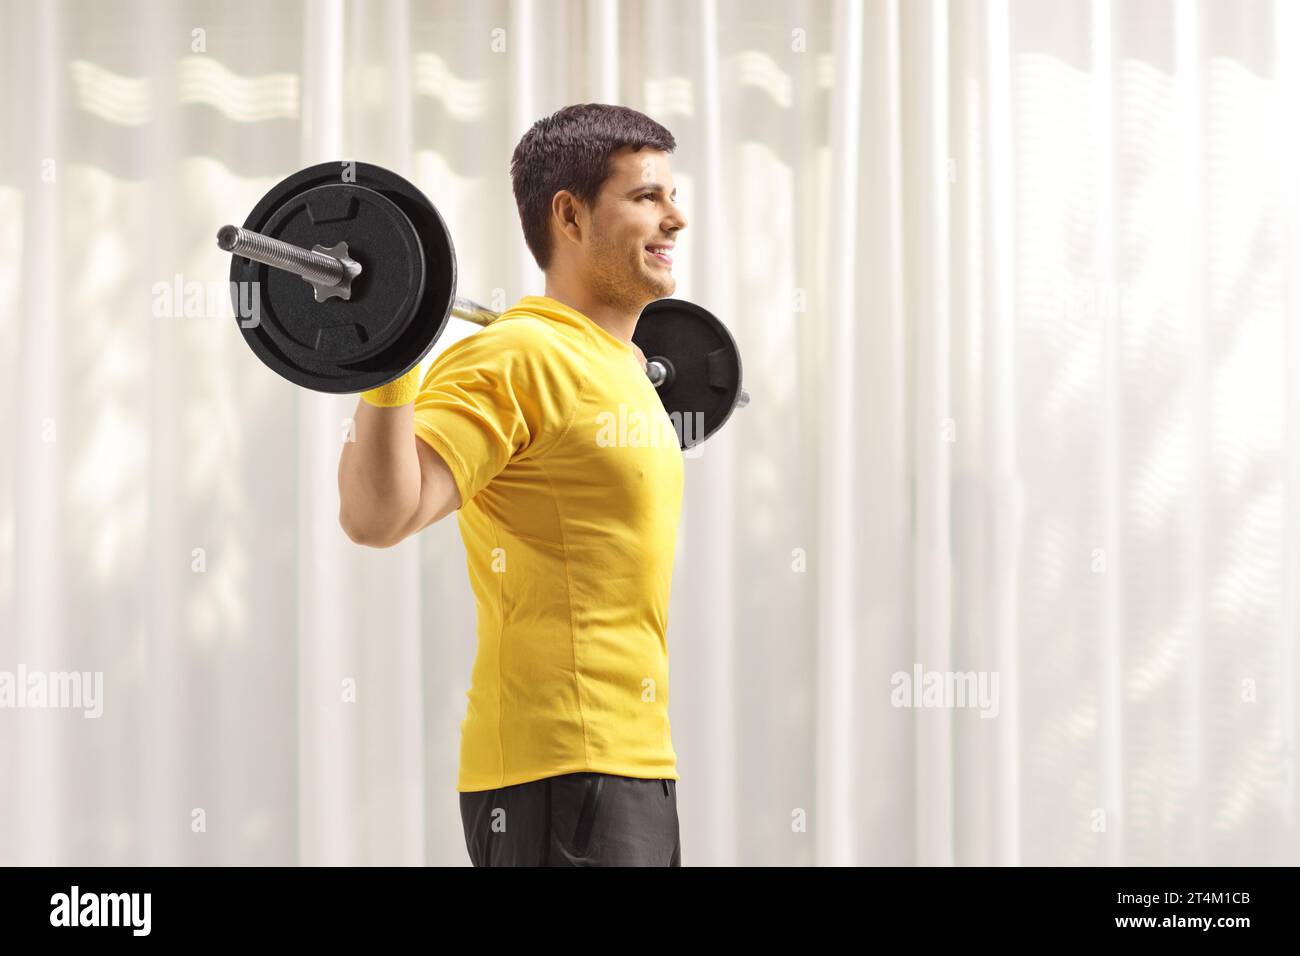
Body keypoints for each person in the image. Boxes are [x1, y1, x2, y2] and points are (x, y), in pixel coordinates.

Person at [337, 104, 689, 866]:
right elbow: (379, 513)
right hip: (561, 770)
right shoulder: (516, 354)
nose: (677, 217)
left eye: (671, 196)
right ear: (569, 214)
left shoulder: (617, 367)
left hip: (636, 766)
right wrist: (390, 350)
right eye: (647, 197)